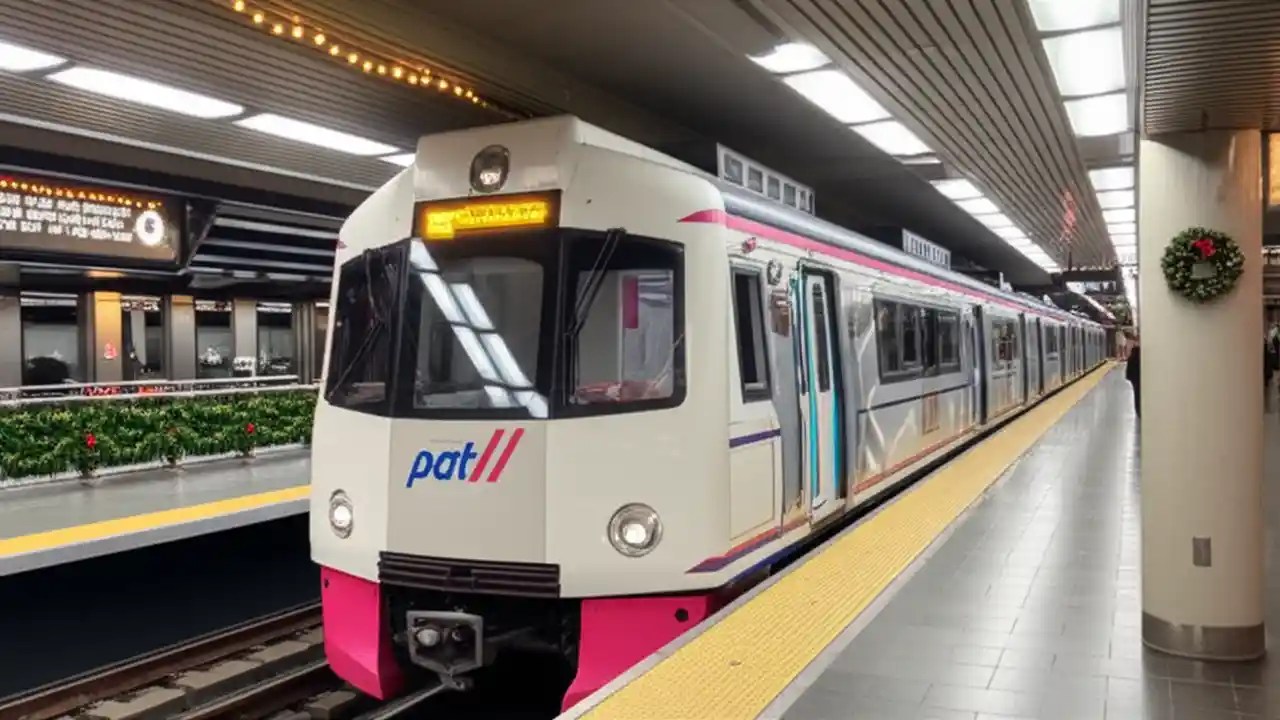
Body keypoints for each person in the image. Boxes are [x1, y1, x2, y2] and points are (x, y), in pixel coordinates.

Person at [1125, 336, 1140, 419]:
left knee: (1136, 394)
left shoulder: (1133, 354)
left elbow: (1129, 368)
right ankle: (1138, 410)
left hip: (1133, 378)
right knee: (1138, 394)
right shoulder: (1139, 355)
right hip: (1137, 378)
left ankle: (1137, 410)